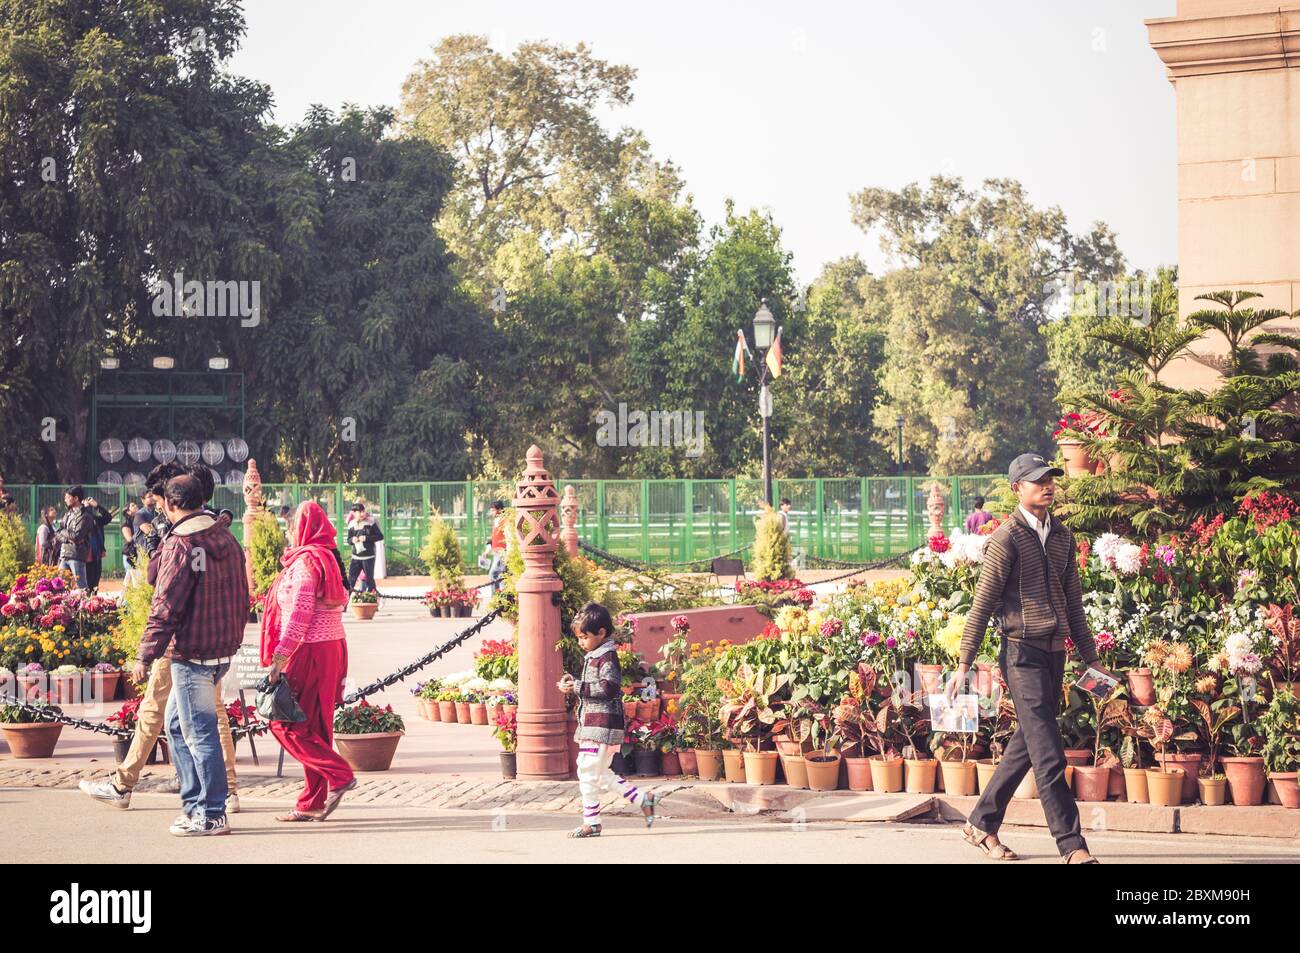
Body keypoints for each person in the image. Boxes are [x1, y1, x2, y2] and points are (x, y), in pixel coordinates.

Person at [945, 453, 1115, 865]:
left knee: (1028, 742)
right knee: (1049, 752)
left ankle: (981, 824)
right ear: (1017, 488)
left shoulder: (1062, 538)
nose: (1048, 485)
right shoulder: (1006, 538)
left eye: (1051, 477)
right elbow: (982, 603)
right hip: (1020, 654)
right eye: (1038, 480)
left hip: (1054, 653)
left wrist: (1091, 658)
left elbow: (1074, 604)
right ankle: (1071, 845)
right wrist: (964, 663)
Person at [129, 473, 248, 835]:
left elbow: (165, 605)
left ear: (170, 504)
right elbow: (243, 593)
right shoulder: (224, 536)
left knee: (198, 732)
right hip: (220, 648)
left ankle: (211, 813)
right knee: (178, 725)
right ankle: (196, 805)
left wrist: (144, 655)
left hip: (192, 652)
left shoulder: (182, 544)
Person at [262, 501, 357, 822]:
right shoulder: (327, 558)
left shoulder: (306, 564)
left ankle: (340, 774)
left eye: (291, 526)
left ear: (302, 528)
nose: (288, 531)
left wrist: (279, 659)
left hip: (309, 650)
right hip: (330, 648)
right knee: (315, 726)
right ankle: (311, 801)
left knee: (283, 722)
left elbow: (300, 616)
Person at [559, 601, 657, 838]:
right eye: (579, 637)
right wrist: (574, 684)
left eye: (584, 637)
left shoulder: (607, 657)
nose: (581, 642)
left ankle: (592, 822)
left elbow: (609, 688)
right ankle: (643, 799)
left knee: (587, 773)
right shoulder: (596, 655)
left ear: (601, 633)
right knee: (601, 774)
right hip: (597, 725)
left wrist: (578, 687)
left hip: (600, 726)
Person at [55, 485, 92, 589]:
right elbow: (57, 532)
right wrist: (66, 539)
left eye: (68, 497)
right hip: (64, 555)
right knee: (60, 587)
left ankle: (88, 605)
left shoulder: (85, 516)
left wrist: (63, 532)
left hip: (77, 556)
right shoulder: (67, 514)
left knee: (81, 587)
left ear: (76, 498)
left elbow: (76, 536)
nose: (65, 499)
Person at [344, 501, 383, 595]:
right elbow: (348, 540)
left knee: (370, 581)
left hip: (368, 557)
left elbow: (380, 536)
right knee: (351, 581)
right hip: (355, 558)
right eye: (359, 512)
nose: (361, 513)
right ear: (354, 513)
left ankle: (372, 602)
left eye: (362, 511)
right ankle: (344, 604)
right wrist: (352, 540)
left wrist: (366, 538)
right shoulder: (351, 524)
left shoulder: (371, 522)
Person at [82, 495, 114, 592]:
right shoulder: (79, 519)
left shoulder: (96, 520)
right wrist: (83, 506)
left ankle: (93, 605)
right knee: (84, 585)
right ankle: (84, 604)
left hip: (96, 554)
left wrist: (97, 506)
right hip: (82, 556)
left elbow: (108, 517)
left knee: (95, 584)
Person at [484, 501, 508, 595]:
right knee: (500, 575)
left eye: (493, 509)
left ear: (499, 510)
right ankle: (500, 597)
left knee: (495, 574)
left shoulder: (505, 521)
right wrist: (487, 551)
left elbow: (508, 537)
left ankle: (498, 597)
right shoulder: (496, 521)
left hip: (502, 552)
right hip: (497, 552)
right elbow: (494, 537)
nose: (491, 511)